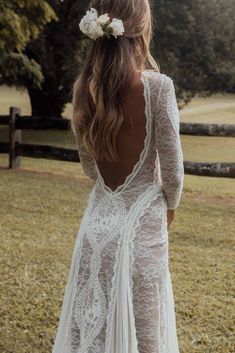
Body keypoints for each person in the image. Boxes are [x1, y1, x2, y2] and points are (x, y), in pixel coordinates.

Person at [52, 0, 184, 352]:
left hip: (95, 229)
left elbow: (89, 167)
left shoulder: (84, 88)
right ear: (140, 28)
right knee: (145, 340)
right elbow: (172, 173)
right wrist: (169, 205)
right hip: (141, 228)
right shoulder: (158, 88)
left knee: (92, 334)